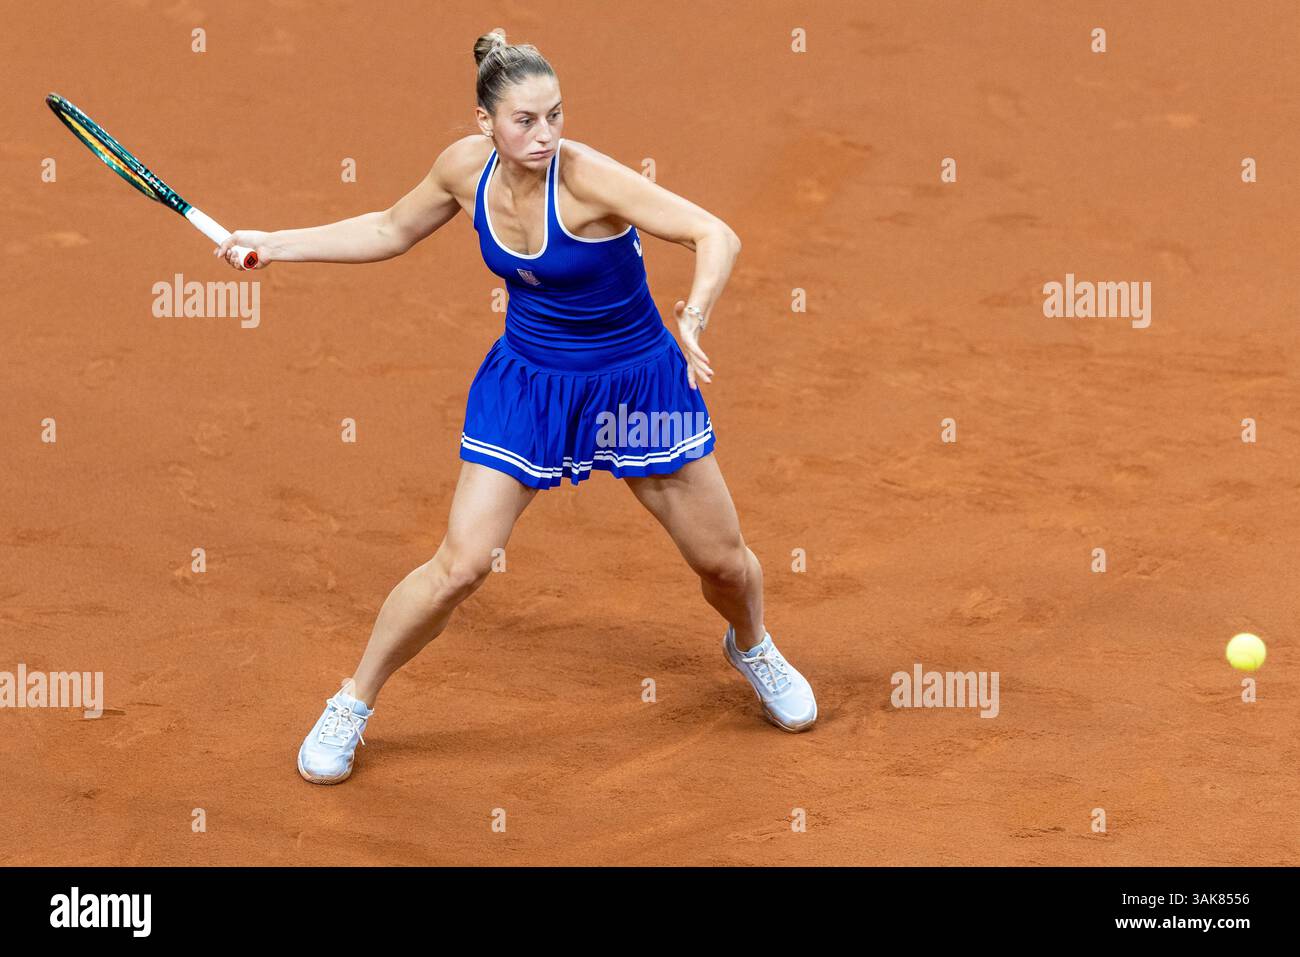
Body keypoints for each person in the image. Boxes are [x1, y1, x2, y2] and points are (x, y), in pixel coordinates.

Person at [217, 30, 817, 786]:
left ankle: (752, 644)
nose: (546, 135)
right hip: (530, 384)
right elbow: (388, 228)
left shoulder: (590, 179)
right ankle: (352, 701)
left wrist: (692, 316)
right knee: (461, 563)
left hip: (635, 384)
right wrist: (276, 243)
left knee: (723, 561)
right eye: (525, 121)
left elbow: (713, 233)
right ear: (485, 125)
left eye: (555, 116)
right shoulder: (463, 171)